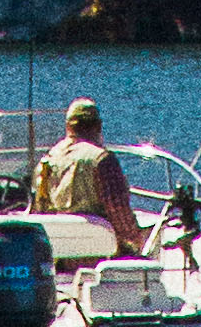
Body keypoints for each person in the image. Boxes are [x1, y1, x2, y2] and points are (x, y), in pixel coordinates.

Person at [33, 94, 146, 255]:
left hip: (59, 254)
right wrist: (138, 239)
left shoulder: (50, 158)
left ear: (68, 127)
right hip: (99, 253)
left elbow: (41, 208)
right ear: (98, 127)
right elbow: (119, 212)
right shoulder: (102, 160)